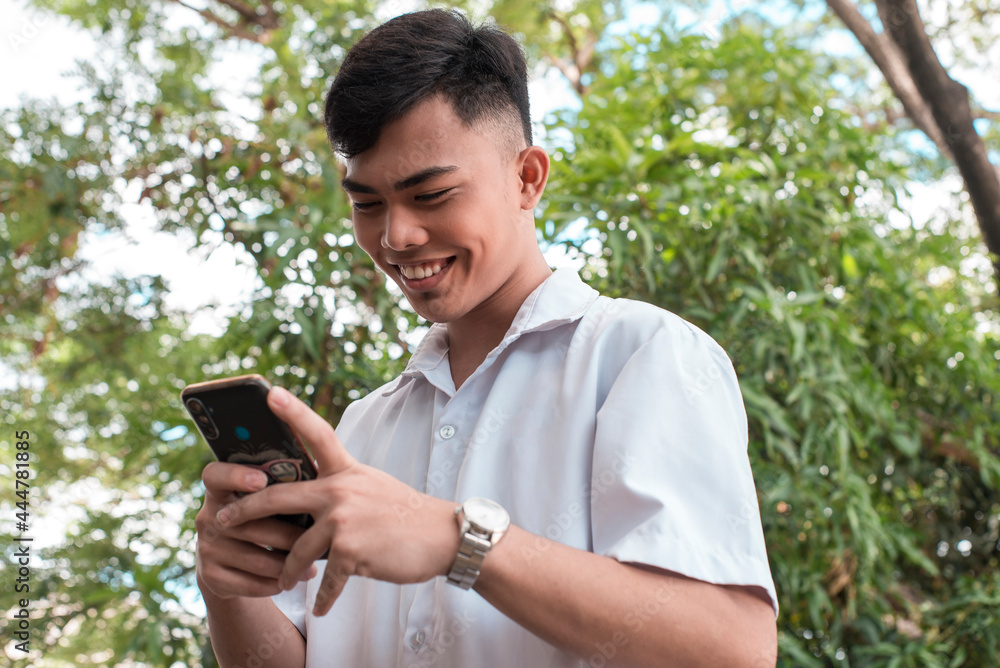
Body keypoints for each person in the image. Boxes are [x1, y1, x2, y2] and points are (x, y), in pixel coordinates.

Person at [194, 9, 778, 668]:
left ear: (527, 178)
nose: (396, 237)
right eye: (367, 203)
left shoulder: (639, 355)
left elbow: (735, 649)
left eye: (432, 194)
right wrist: (227, 587)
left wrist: (457, 540)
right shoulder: (363, 427)